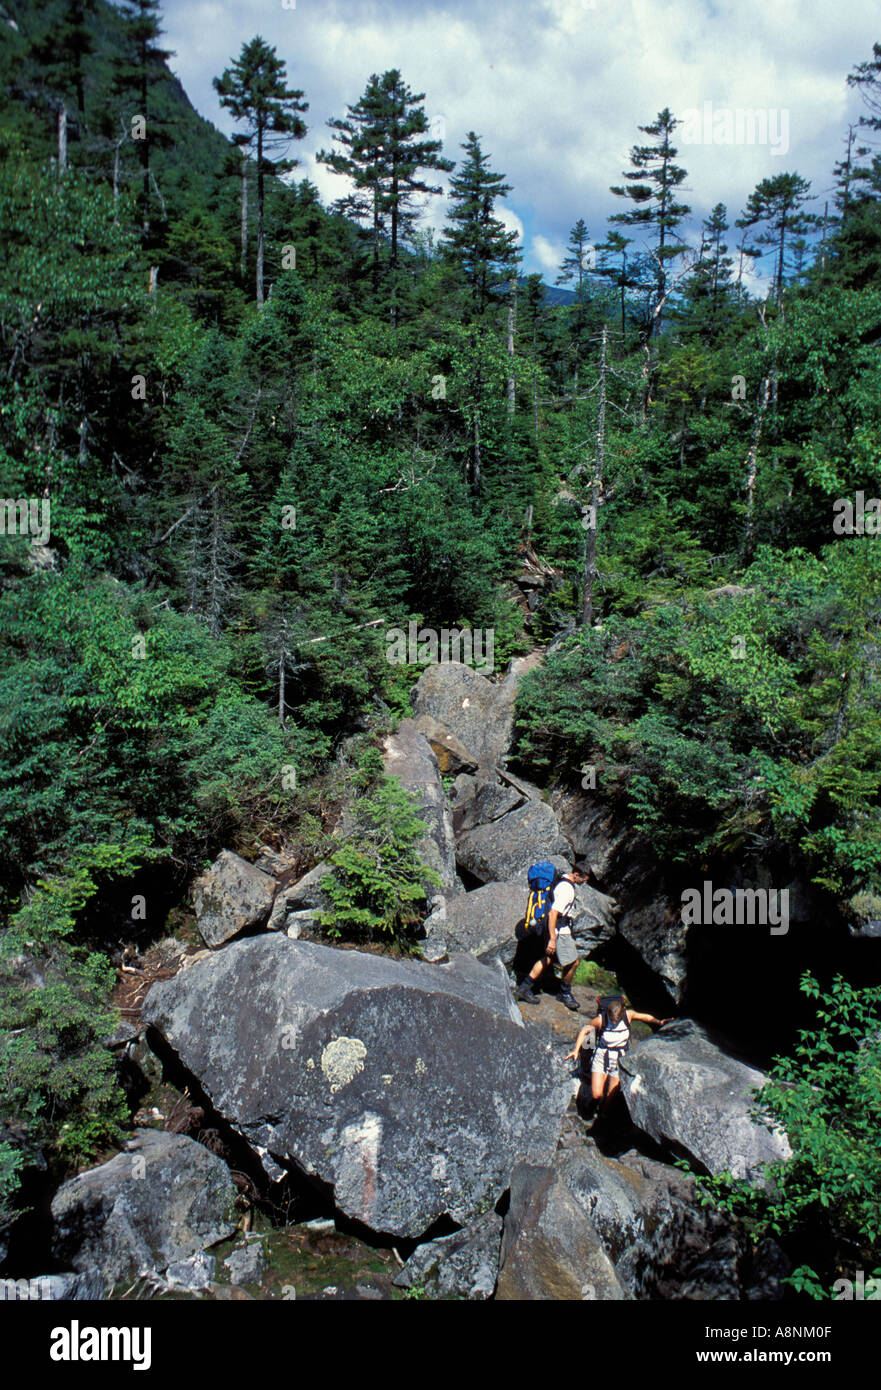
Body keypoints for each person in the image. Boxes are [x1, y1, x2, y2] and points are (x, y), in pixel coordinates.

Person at [565, 996, 673, 1117]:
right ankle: (592, 1104)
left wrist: (659, 1022)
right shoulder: (601, 1020)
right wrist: (576, 1050)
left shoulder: (629, 1015)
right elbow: (585, 1030)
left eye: (616, 1020)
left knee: (611, 1095)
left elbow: (645, 1017)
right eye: (612, 1019)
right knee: (596, 1094)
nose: (614, 1022)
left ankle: (603, 1115)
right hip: (602, 1057)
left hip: (619, 1059)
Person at [516, 862, 591, 1010]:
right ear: (576, 875)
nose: (585, 882)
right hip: (558, 931)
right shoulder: (566, 889)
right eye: (584, 879)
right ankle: (564, 993)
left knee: (548, 959)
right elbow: (553, 913)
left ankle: (524, 988)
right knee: (573, 963)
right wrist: (553, 939)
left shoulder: (562, 878)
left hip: (554, 929)